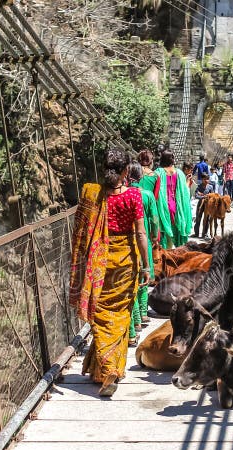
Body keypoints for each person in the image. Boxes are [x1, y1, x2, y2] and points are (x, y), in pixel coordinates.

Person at [69, 150, 151, 397]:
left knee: (101, 314)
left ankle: (104, 369)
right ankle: (110, 371)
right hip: (126, 261)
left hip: (99, 262)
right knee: (120, 316)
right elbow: (140, 233)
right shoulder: (134, 196)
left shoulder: (93, 196)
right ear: (126, 171)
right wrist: (146, 265)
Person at [127, 162, 160, 347]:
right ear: (142, 177)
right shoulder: (147, 195)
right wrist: (155, 236)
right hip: (144, 239)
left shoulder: (123, 193)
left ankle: (137, 320)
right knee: (143, 277)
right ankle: (143, 314)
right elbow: (154, 219)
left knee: (133, 281)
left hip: (127, 242)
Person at [155, 149, 192, 248]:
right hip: (177, 210)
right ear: (172, 159)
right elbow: (185, 194)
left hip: (163, 209)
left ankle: (166, 257)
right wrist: (188, 183)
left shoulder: (158, 172)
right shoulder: (180, 173)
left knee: (165, 239)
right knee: (175, 240)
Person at [138, 149, 172, 250]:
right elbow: (155, 198)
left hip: (133, 206)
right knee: (147, 237)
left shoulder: (133, 172)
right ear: (151, 161)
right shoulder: (155, 176)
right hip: (148, 212)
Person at [192, 173, 215, 238]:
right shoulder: (199, 187)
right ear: (202, 179)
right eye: (204, 179)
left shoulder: (210, 187)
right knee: (198, 218)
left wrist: (206, 196)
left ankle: (204, 234)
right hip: (200, 205)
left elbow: (213, 196)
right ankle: (196, 233)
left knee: (207, 219)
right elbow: (196, 196)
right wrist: (203, 197)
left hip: (208, 206)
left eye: (207, 179)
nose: (206, 180)